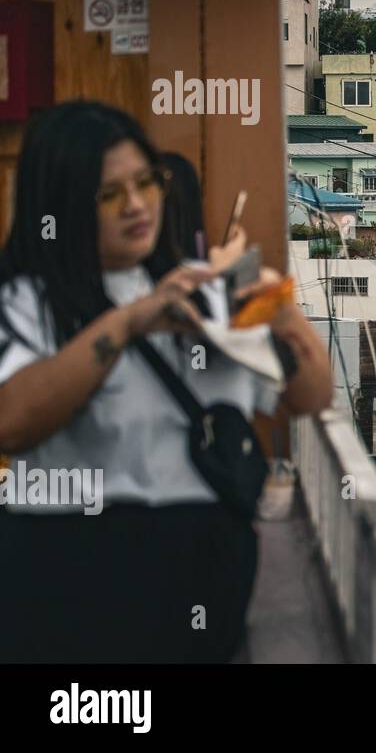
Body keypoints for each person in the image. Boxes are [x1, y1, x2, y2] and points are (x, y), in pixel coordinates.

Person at [0, 101, 333, 662]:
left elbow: (312, 395)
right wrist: (131, 320)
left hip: (198, 576)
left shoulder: (200, 292)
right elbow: (12, 421)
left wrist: (275, 305)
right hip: (68, 572)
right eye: (109, 194)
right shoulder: (26, 302)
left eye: (146, 183)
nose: (136, 206)